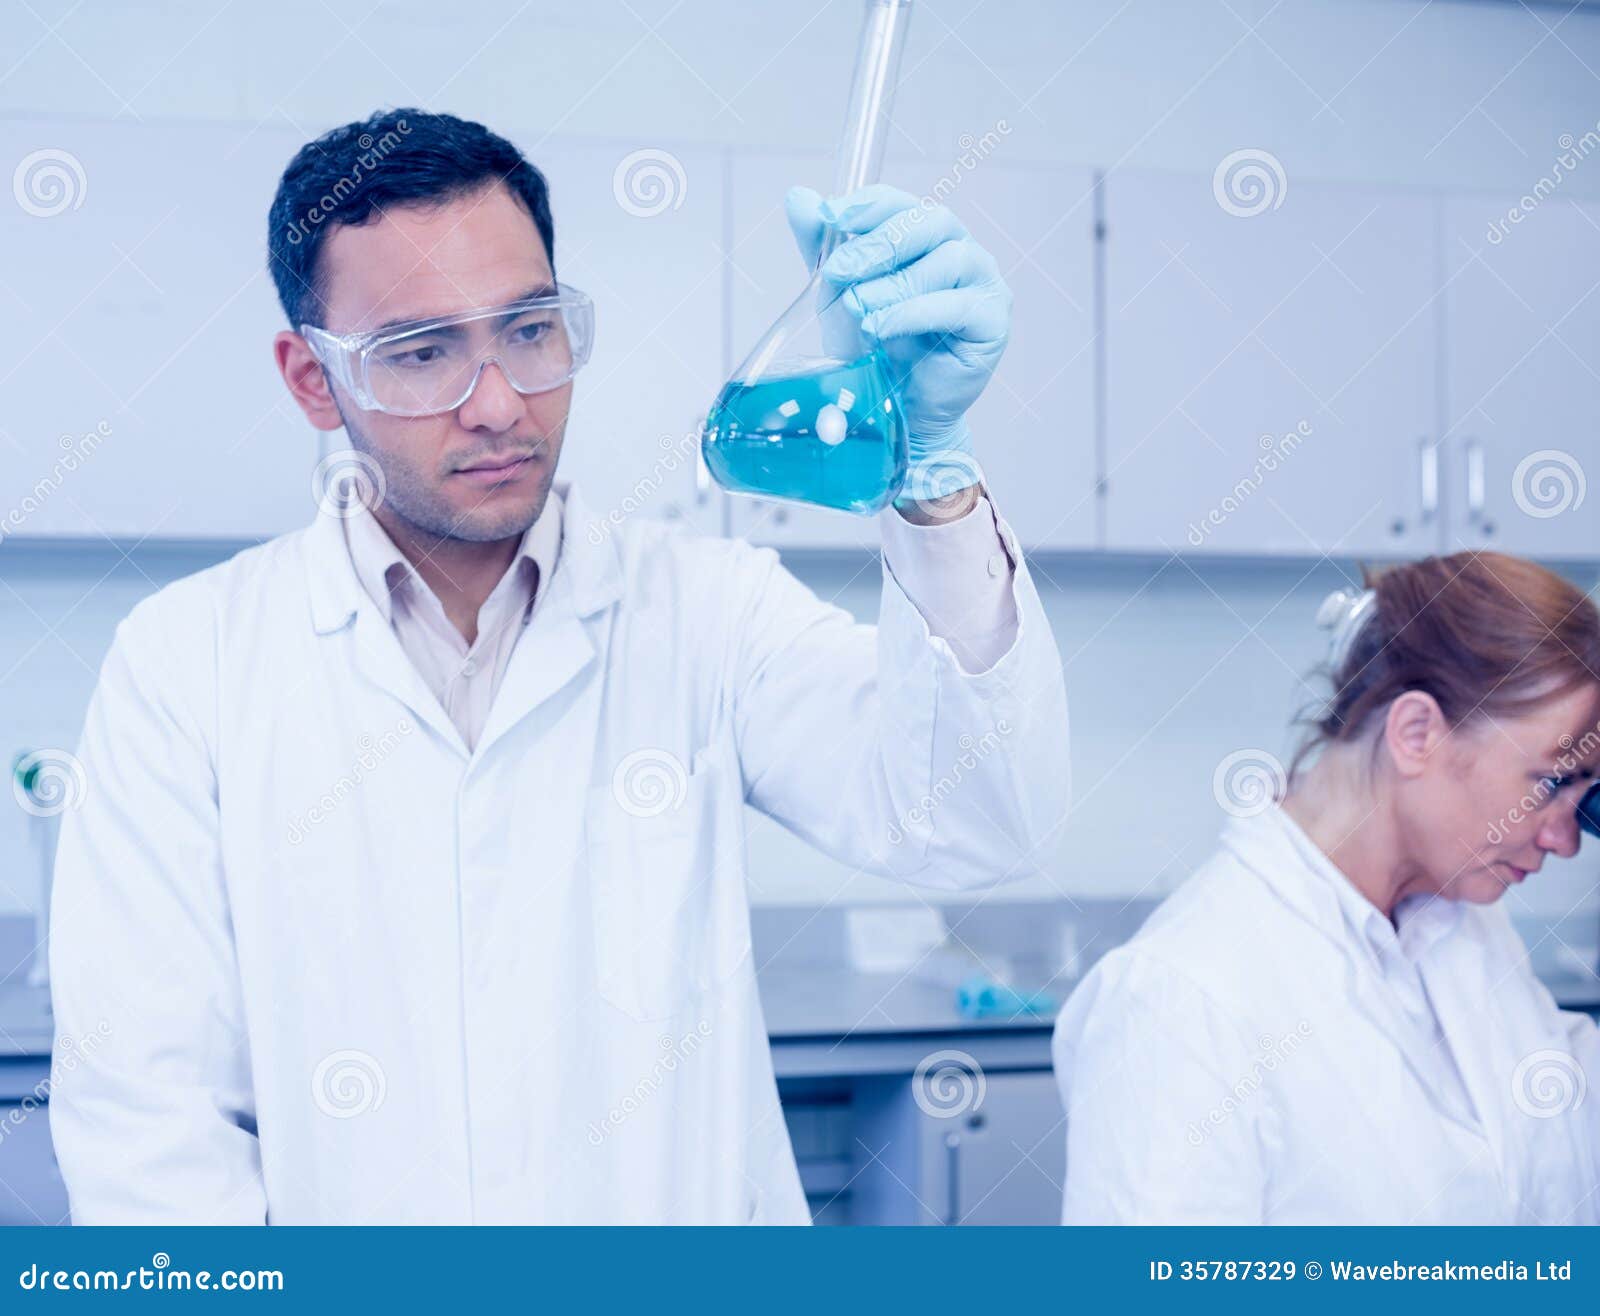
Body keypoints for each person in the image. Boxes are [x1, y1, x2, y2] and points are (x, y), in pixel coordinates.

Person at [46, 110, 1070, 1224]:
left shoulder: (706, 610)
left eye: (529, 330)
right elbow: (148, 1125)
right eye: (422, 350)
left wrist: (932, 482)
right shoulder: (188, 662)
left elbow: (973, 818)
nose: (496, 402)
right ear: (310, 380)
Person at [1053, 551, 1600, 1225]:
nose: (1565, 840)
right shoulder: (1178, 998)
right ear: (1416, 733)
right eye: (1551, 783)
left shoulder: (1462, 927)